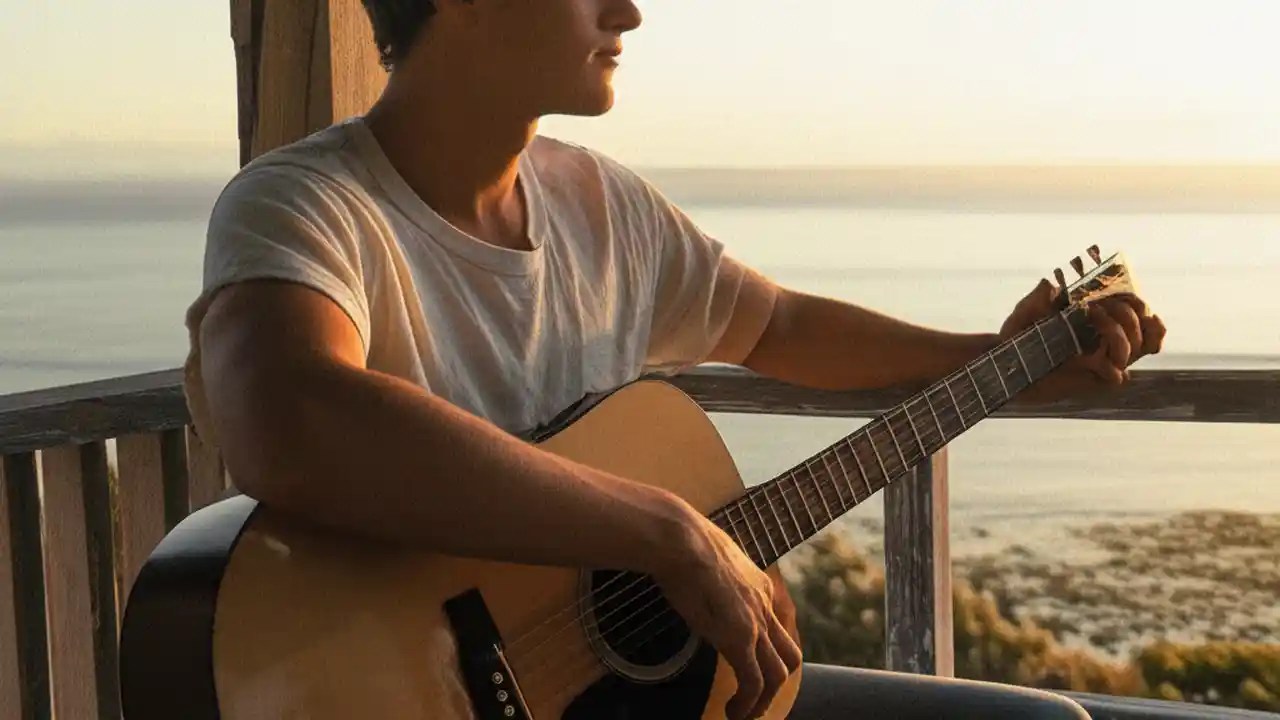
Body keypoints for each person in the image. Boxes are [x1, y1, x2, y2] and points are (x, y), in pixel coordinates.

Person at [182, 1, 1165, 718]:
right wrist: (667, 533)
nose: (630, 12)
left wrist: (998, 359)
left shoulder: (600, 207)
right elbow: (287, 415)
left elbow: (775, 325)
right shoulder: (306, 206)